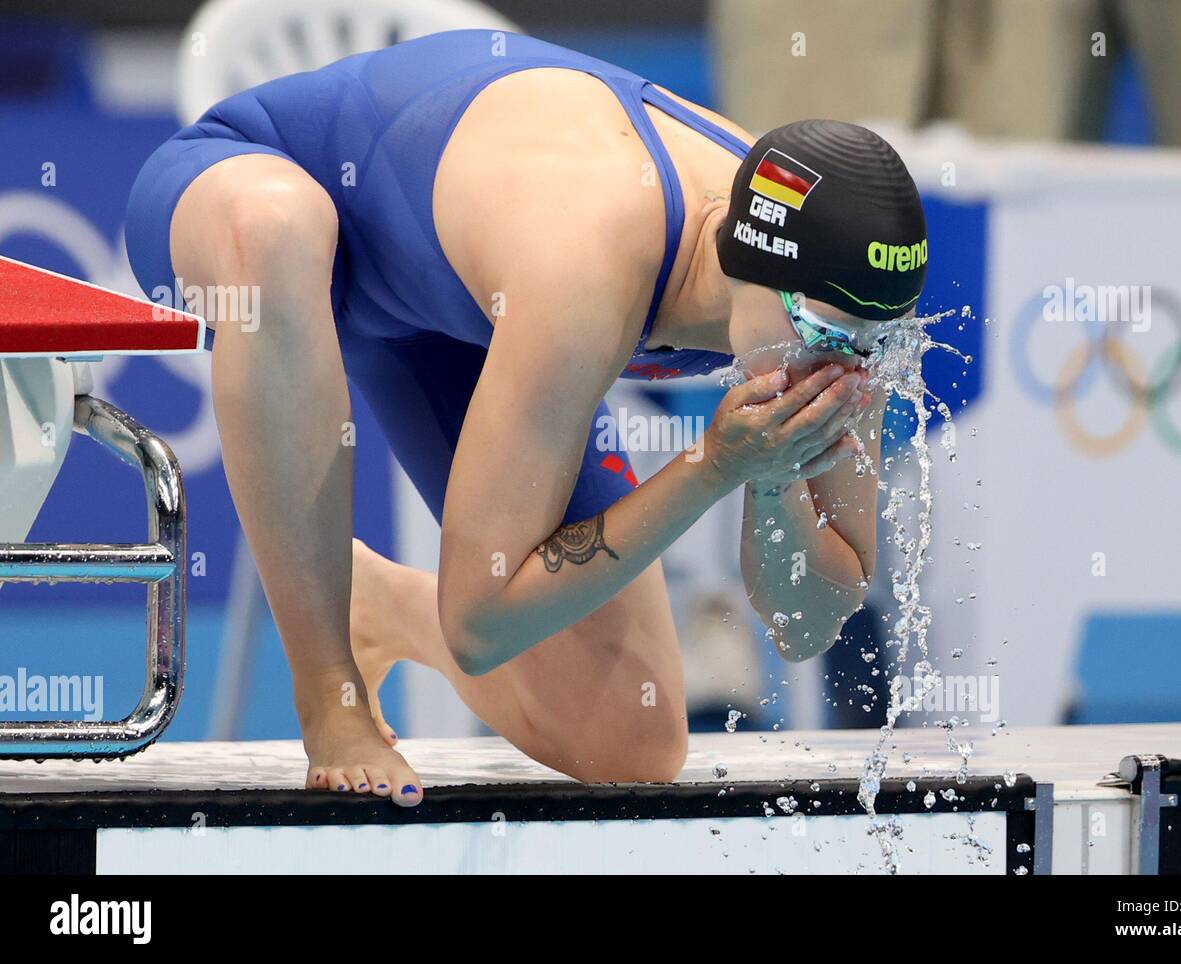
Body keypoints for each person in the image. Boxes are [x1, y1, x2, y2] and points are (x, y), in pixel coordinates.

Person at [125, 29, 928, 805]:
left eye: (876, 344)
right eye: (826, 339)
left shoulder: (836, 294)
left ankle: (382, 603)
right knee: (278, 227)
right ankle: (327, 692)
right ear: (738, 262)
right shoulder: (591, 261)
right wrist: (714, 467)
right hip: (240, 186)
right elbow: (481, 621)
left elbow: (804, 625)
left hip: (452, 308)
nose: (846, 368)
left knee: (633, 742)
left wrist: (777, 476)